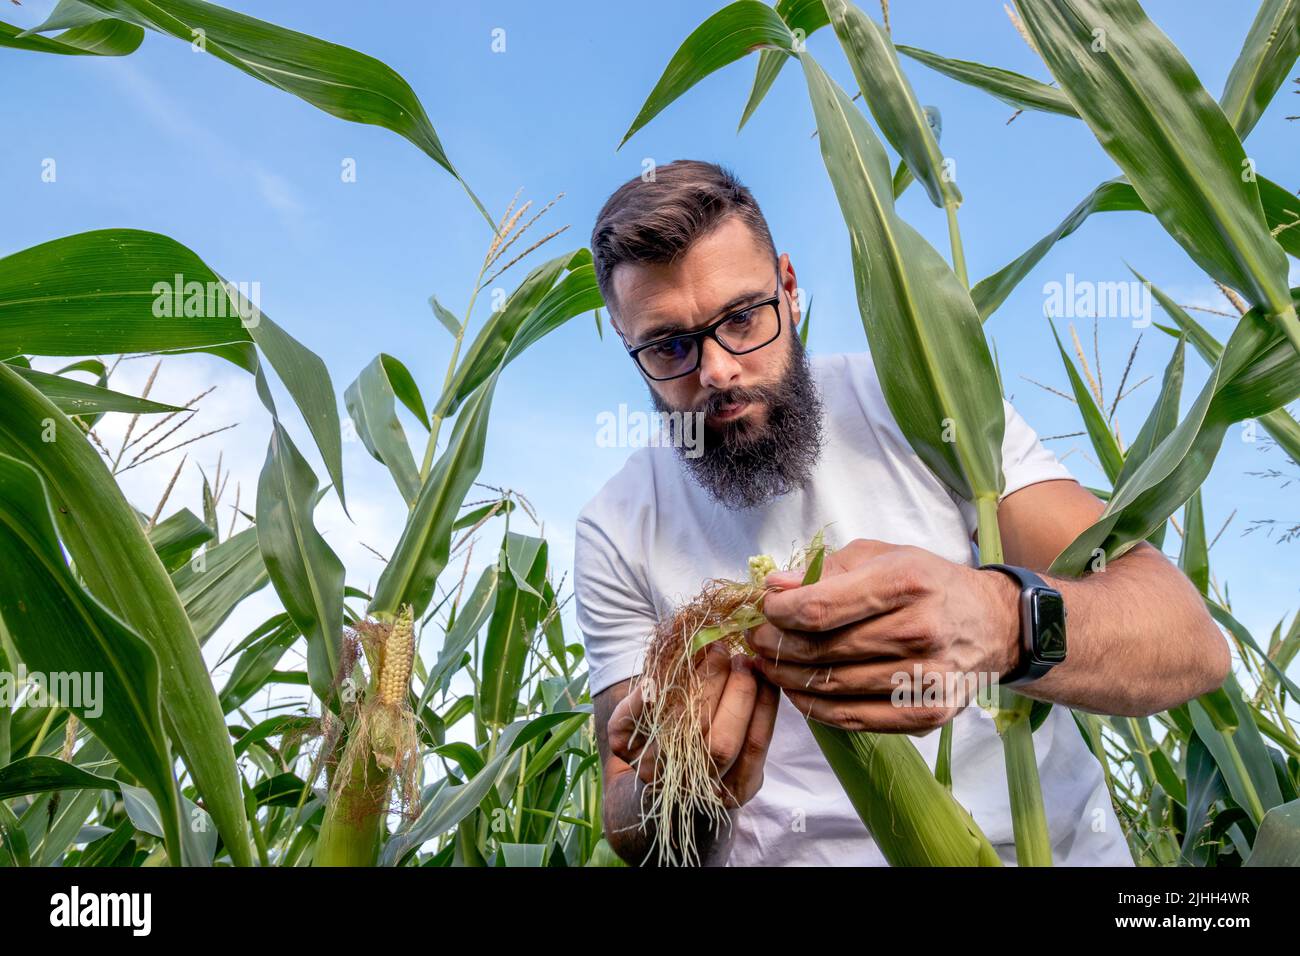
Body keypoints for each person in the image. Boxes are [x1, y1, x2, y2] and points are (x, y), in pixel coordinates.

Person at [574, 159, 1229, 866]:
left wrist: (1003, 621)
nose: (718, 372)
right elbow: (630, 822)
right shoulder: (615, 527)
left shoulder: (920, 404)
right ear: (629, 348)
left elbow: (1188, 642)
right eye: (669, 346)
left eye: (741, 319)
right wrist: (682, 780)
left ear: (788, 291)